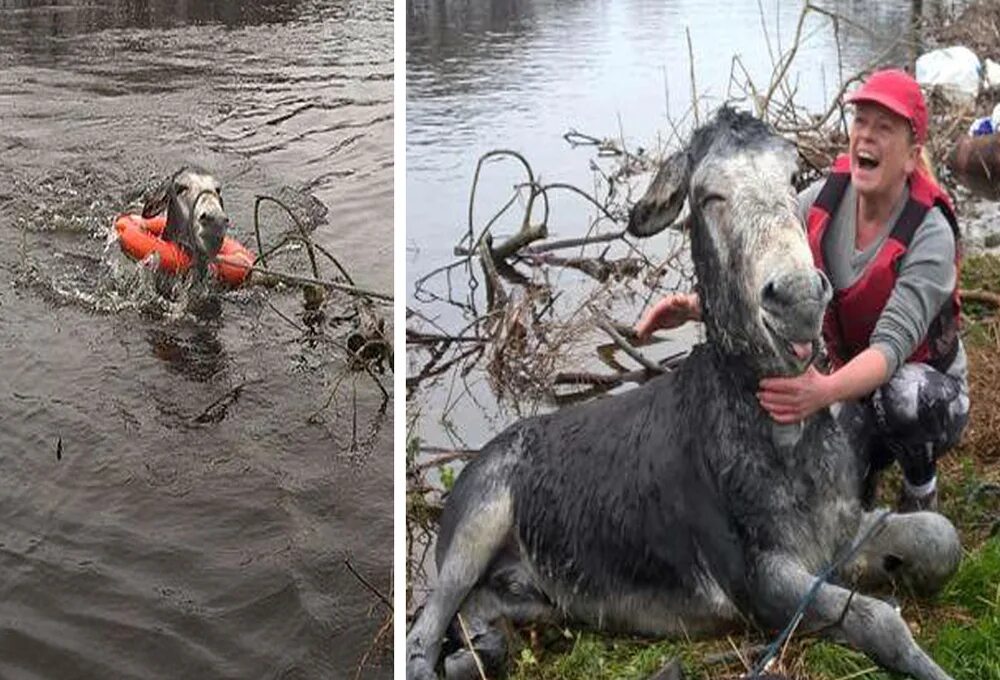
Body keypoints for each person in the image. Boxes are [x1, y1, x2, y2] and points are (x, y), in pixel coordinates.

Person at [636, 68, 969, 512]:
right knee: (826, 483)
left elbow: (890, 350)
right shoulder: (821, 201)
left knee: (903, 399)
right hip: (850, 380)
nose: (866, 137)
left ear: (912, 156)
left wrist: (821, 393)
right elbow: (776, 280)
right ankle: (865, 467)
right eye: (861, 123)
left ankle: (920, 487)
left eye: (884, 128)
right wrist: (698, 308)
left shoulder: (930, 232)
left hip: (923, 385)